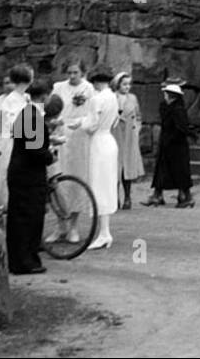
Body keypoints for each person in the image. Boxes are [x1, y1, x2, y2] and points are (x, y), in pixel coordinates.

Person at [6, 66, 62, 276]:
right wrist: (50, 155)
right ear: (45, 96)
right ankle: (24, 261)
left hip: (24, 172)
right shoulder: (31, 115)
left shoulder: (29, 114)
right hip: (27, 175)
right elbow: (34, 149)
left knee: (24, 217)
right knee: (27, 219)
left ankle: (22, 259)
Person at [69, 67, 119, 249]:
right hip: (109, 140)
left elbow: (92, 125)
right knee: (105, 184)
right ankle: (104, 230)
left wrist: (79, 124)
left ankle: (104, 232)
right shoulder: (112, 97)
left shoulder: (97, 99)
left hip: (99, 142)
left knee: (99, 185)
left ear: (96, 82)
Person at [50, 57, 93, 241]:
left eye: (76, 72)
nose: (72, 76)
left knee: (76, 179)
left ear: (82, 72)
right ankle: (60, 225)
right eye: (69, 72)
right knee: (58, 181)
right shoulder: (59, 87)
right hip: (60, 134)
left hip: (79, 138)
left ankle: (74, 226)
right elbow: (51, 107)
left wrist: (79, 122)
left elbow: (90, 114)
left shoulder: (88, 88)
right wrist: (54, 121)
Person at [145, 78, 193, 207]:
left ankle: (184, 196)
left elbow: (182, 127)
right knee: (162, 169)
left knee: (180, 170)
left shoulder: (178, 110)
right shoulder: (168, 107)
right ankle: (158, 194)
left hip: (177, 145)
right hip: (167, 143)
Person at [0, 68, 29, 214]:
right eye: (6, 83)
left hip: (16, 141)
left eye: (11, 82)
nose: (9, 86)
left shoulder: (25, 99)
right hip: (0, 140)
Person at [111, 72, 144, 210]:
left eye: (129, 84)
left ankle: (128, 197)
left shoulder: (133, 98)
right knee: (115, 167)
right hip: (116, 134)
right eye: (124, 84)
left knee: (127, 167)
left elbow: (138, 116)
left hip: (130, 136)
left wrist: (136, 130)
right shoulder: (112, 97)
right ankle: (115, 197)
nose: (127, 87)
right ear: (118, 84)